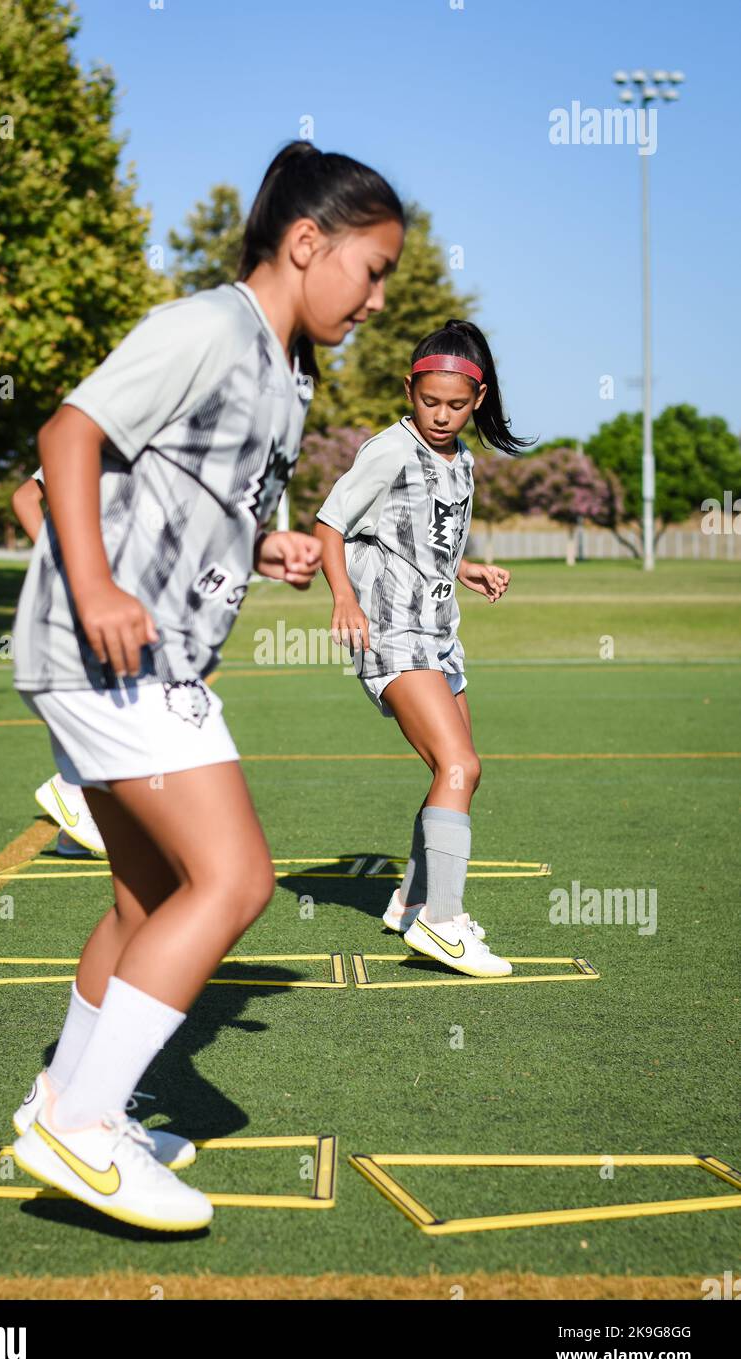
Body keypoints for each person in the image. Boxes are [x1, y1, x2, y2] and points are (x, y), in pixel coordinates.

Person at [9, 140, 405, 1231]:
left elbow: (190, 496)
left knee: (145, 901)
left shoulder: (286, 369)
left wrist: (267, 543)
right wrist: (93, 587)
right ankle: (80, 1127)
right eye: (369, 270)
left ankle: (62, 1099)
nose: (376, 297)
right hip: (110, 656)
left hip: (144, 658)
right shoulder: (207, 327)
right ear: (305, 240)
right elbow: (65, 437)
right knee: (234, 880)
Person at [314, 319, 531, 979]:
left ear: (480, 398)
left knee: (459, 770)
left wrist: (468, 568)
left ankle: (411, 901)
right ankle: (442, 922)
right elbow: (330, 523)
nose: (440, 415)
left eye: (456, 405)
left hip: (441, 635)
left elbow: (426, 542)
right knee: (458, 766)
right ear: (410, 390)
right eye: (428, 401)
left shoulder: (462, 460)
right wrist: (343, 598)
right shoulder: (388, 451)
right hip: (393, 634)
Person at [12, 470, 106, 855]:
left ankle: (74, 832)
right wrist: (58, 562)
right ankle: (70, 785)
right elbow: (24, 498)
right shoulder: (100, 435)